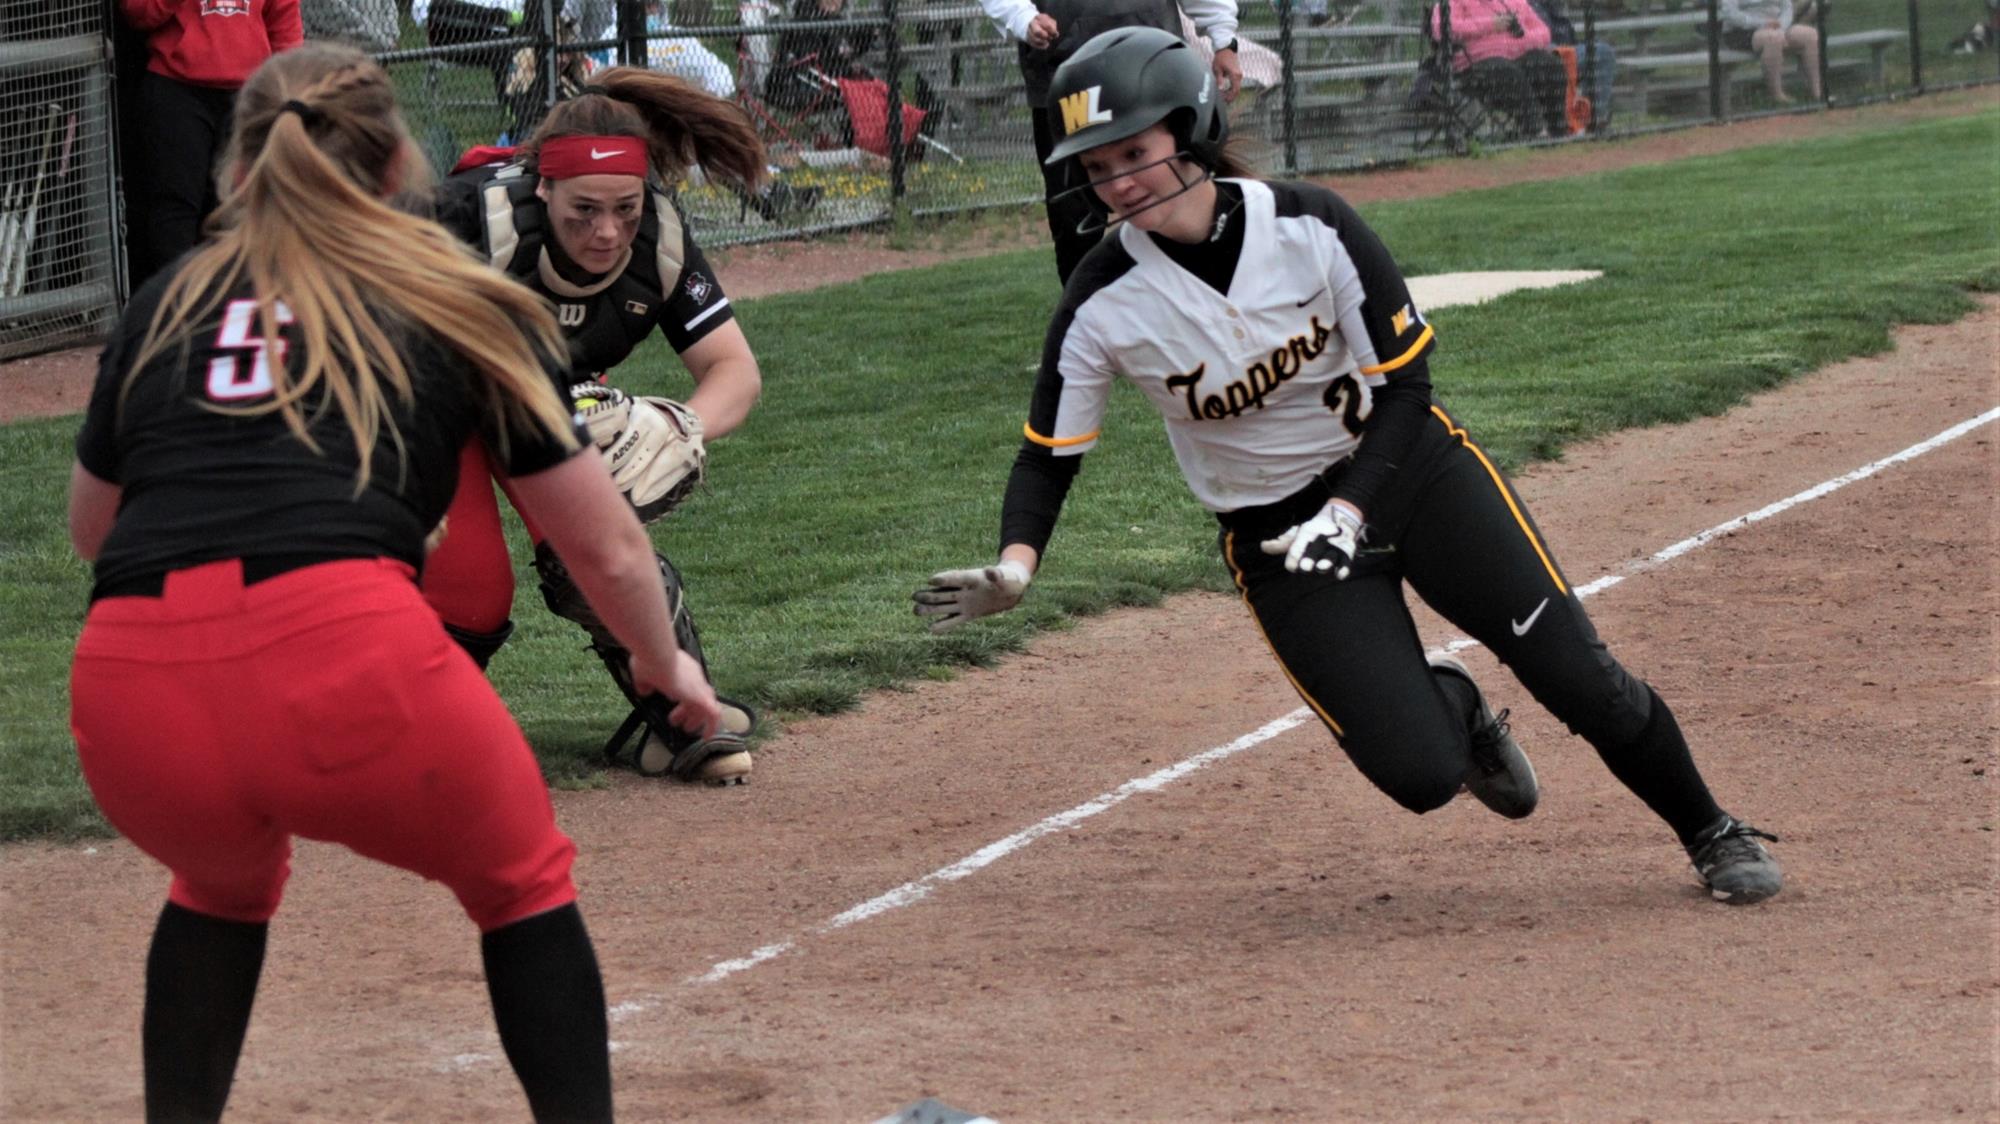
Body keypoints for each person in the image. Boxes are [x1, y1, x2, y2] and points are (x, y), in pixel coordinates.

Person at [912, 27, 1784, 906]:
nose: (1119, 181)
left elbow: (1407, 390)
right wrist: (1016, 567)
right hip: (1279, 539)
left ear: (1195, 127)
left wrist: (1353, 509)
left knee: (1579, 677)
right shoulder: (1102, 298)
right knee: (1419, 774)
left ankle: (1712, 829)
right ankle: (1457, 709)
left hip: (1410, 475)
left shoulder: (1309, 224)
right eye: (1097, 166)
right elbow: (1048, 456)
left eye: (1135, 151)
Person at [67, 42, 720, 1121]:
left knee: (218, 885)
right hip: (336, 649)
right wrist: (666, 670)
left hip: (131, 693)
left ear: (241, 168)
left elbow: (97, 529)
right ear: (393, 168)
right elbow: (601, 547)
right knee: (521, 882)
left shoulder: (167, 300)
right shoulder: (457, 295)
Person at [429, 66, 766, 784]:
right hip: (435, 400)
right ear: (540, 188)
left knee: (595, 554)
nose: (608, 231)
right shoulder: (463, 220)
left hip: (544, 400)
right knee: (473, 593)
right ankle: (406, 734)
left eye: (626, 206)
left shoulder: (661, 243)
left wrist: (682, 427)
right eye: (583, 209)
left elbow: (735, 371)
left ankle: (674, 722)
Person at [977, 0, 1243, 285]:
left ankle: (1200, 296)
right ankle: (1086, 313)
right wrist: (1023, 18)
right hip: (1067, 80)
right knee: (1075, 219)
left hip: (1153, 71)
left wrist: (1224, 38)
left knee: (1176, 195)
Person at [118, 0, 304, 289]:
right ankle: (178, 306)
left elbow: (285, 24)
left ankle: (237, 304)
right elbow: (137, 12)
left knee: (244, 205)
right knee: (175, 209)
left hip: (249, 94)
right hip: (177, 88)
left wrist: (288, 93)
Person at [1429, 0, 1569, 140]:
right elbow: (1441, 30)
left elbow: (1544, 32)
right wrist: (1490, 25)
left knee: (1550, 65)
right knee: (1506, 71)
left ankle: (1558, 130)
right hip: (1474, 66)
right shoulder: (1453, 2)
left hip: (1516, 56)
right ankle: (1535, 131)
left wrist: (1520, 41)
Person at [1718, 0, 1822, 104]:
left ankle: (1817, 93)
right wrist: (1762, 24)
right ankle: (1777, 95)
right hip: (1741, 30)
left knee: (1809, 35)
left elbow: (1787, 8)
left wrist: (1781, 27)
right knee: (1773, 38)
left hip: (1776, 26)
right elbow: (1731, 14)